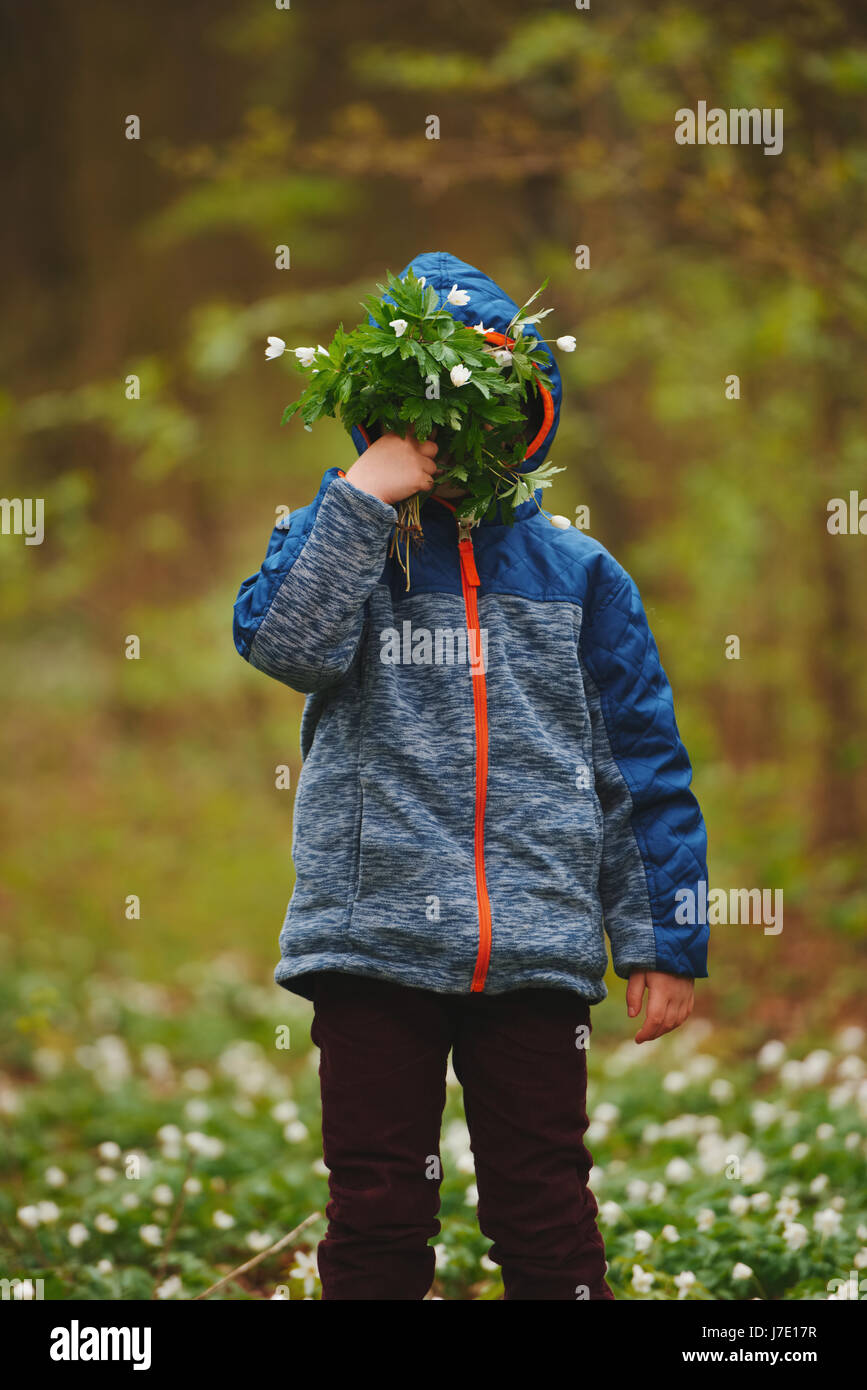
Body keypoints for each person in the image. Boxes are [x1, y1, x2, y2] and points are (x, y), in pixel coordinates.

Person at [232, 250, 709, 1300]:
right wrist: (360, 500)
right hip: (371, 940)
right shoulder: (338, 542)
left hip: (535, 944)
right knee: (378, 1205)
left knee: (544, 1203)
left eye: (480, 417)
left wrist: (662, 933)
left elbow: (641, 764)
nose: (448, 446)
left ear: (523, 419)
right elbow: (285, 644)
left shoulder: (581, 575)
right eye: (419, 422)